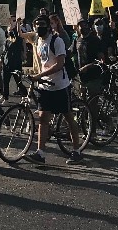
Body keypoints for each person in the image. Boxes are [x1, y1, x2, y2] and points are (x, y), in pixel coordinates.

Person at [28, 13, 84, 165]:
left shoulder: (56, 41)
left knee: (68, 117)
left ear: (48, 26)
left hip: (59, 85)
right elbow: (43, 62)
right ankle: (40, 152)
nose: (39, 28)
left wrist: (40, 75)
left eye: (42, 25)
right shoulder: (39, 41)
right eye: (37, 25)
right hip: (45, 86)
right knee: (43, 118)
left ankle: (76, 150)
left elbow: (59, 64)